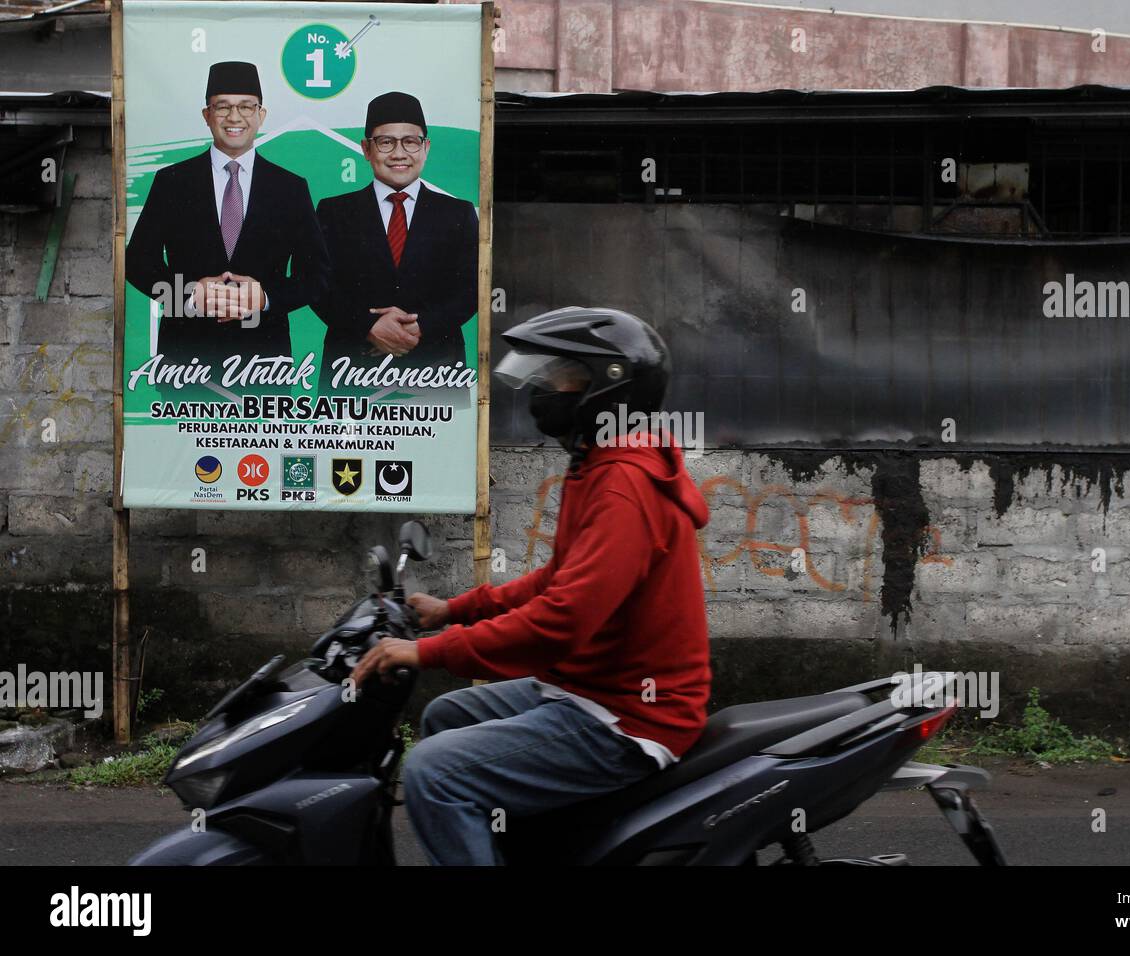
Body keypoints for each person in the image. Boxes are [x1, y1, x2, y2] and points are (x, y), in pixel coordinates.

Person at [350, 306, 712, 866]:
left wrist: (429, 650)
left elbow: (561, 621)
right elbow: (557, 580)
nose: (543, 387)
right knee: (446, 716)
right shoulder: (600, 464)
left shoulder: (623, 485)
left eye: (561, 374)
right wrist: (454, 610)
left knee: (433, 771)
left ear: (606, 389)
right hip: (591, 689)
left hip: (628, 716)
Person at [125, 61, 329, 369]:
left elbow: (317, 277)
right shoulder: (172, 181)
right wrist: (190, 297)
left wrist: (264, 297)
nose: (234, 117)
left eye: (246, 107)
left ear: (261, 115)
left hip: (265, 362)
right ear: (207, 116)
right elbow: (137, 262)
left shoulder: (290, 188)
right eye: (222, 107)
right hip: (186, 359)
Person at [313, 91, 478, 386]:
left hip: (435, 370)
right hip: (352, 369)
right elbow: (316, 285)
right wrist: (368, 326)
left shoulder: (458, 213)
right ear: (366, 149)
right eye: (386, 142)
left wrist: (421, 327)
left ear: (426, 148)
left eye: (410, 142)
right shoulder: (334, 211)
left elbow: (472, 288)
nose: (399, 153)